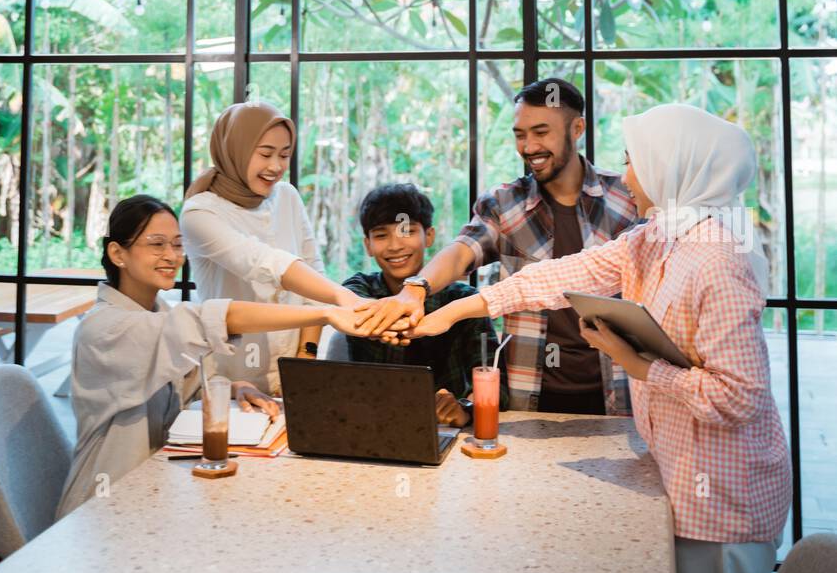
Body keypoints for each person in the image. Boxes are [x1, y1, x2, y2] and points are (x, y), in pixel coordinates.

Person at [402, 104, 792, 573]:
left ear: (674, 166)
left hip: (723, 492)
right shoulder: (654, 238)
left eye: (634, 159)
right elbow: (558, 277)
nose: (626, 175)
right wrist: (450, 310)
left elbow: (738, 397)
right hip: (675, 474)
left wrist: (639, 365)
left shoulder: (720, 260)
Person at [57, 195, 373, 518]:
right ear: (117, 253)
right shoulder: (106, 328)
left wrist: (234, 387)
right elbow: (211, 319)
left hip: (155, 492)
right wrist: (324, 314)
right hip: (104, 506)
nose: (172, 256)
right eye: (157, 245)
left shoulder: (155, 311)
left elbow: (185, 379)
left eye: (178, 245)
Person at [359, 77, 639, 416]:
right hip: (529, 398)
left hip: (622, 393)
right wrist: (415, 289)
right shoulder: (505, 203)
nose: (529, 146)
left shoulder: (627, 199)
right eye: (520, 135)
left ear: (577, 128)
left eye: (541, 132)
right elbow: (462, 252)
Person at [181, 101, 364, 395]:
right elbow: (264, 262)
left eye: (285, 155)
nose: (276, 166)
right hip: (233, 376)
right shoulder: (199, 213)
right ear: (235, 150)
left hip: (294, 373)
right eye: (265, 153)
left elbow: (312, 272)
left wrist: (305, 357)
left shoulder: (287, 196)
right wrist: (344, 297)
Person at [343, 183, 508, 427]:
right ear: (367, 244)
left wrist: (465, 408)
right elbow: (355, 309)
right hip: (371, 426)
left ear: (428, 236)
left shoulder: (462, 300)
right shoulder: (358, 289)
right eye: (381, 235)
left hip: (444, 430)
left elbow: (496, 386)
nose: (395, 245)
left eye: (406, 231)